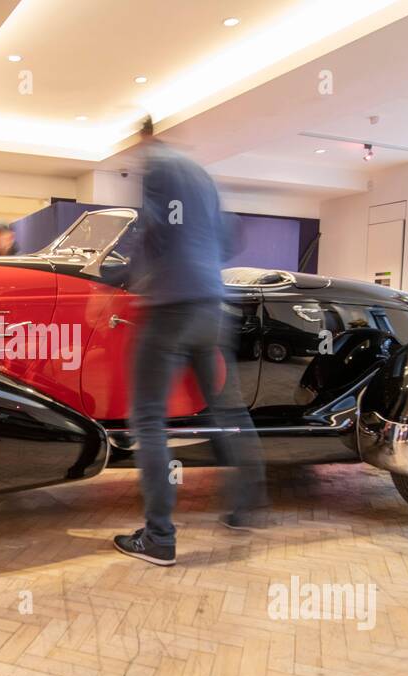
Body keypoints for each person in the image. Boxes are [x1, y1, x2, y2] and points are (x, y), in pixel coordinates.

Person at [112, 117, 267, 567]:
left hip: (170, 306)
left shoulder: (157, 165)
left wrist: (131, 275)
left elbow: (154, 228)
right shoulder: (201, 174)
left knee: (148, 420)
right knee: (227, 407)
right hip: (211, 305)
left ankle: (159, 537)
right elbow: (228, 233)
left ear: (144, 137)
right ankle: (246, 504)